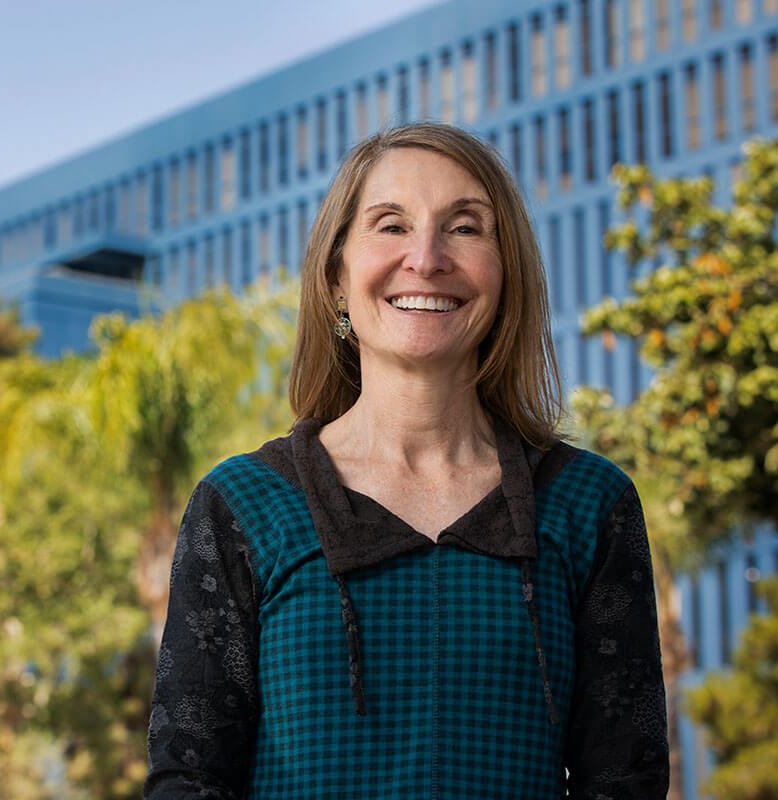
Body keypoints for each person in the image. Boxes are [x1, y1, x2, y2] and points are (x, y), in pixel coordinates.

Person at [145, 123, 668, 799]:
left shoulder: (590, 503)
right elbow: (187, 782)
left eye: (466, 228)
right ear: (336, 276)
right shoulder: (242, 504)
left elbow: (626, 782)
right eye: (390, 225)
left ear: (506, 274)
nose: (426, 257)